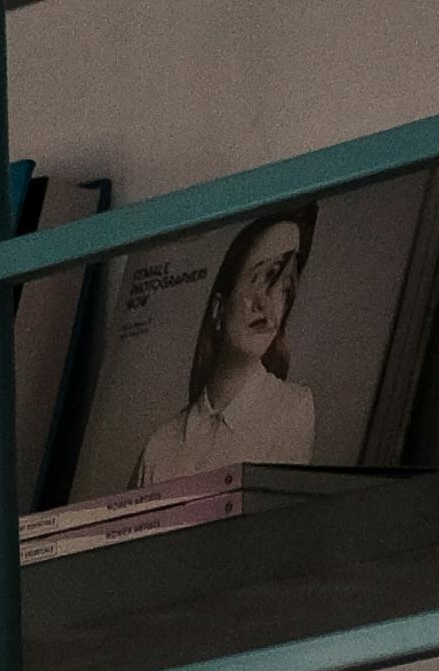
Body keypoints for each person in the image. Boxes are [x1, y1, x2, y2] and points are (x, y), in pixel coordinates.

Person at [136, 201, 320, 482]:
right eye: (260, 278)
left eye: (284, 290)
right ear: (219, 308)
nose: (266, 303)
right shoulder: (159, 446)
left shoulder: (293, 409)